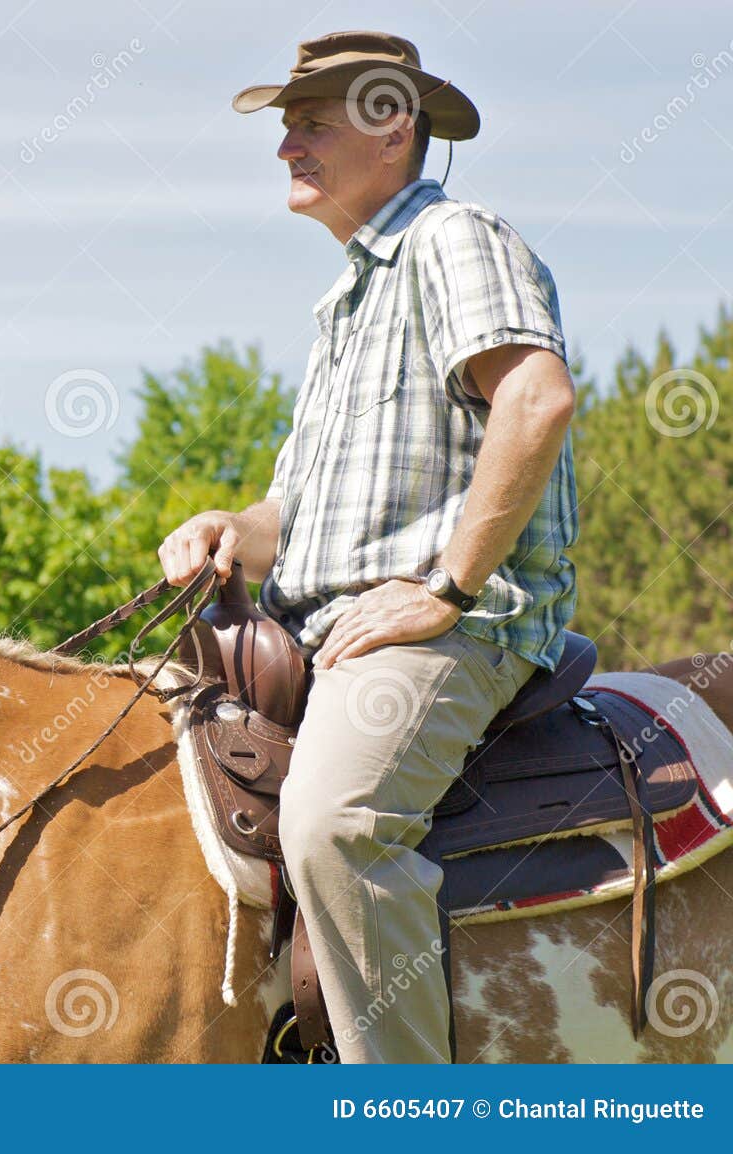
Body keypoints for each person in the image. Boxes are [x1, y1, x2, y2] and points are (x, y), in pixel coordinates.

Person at [158, 30, 578, 1062]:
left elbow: (535, 395)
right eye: (285, 125)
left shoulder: (452, 235)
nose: (284, 147)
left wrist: (443, 586)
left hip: (447, 631)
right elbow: (291, 513)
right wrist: (232, 530)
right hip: (317, 624)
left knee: (334, 824)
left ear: (392, 125)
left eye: (308, 122)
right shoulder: (344, 300)